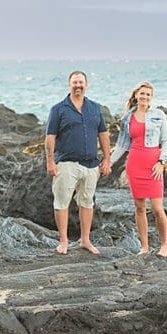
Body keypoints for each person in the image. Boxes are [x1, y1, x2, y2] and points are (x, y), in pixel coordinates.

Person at [45, 71, 111, 255]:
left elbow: (103, 135)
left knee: (87, 203)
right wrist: (50, 161)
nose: (78, 85)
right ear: (69, 85)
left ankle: (85, 240)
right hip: (66, 164)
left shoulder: (95, 108)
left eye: (81, 82)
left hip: (91, 165)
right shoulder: (58, 109)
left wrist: (107, 159)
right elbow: (50, 137)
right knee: (61, 202)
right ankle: (64, 242)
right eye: (75, 82)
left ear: (86, 85)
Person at [110, 81, 167, 257]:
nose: (144, 97)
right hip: (134, 164)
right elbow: (121, 146)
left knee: (158, 208)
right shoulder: (127, 118)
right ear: (136, 95)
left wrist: (161, 161)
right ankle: (144, 247)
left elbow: (166, 141)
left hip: (153, 165)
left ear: (151, 98)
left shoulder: (159, 115)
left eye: (148, 95)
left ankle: (164, 244)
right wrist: (108, 163)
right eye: (142, 94)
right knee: (139, 207)